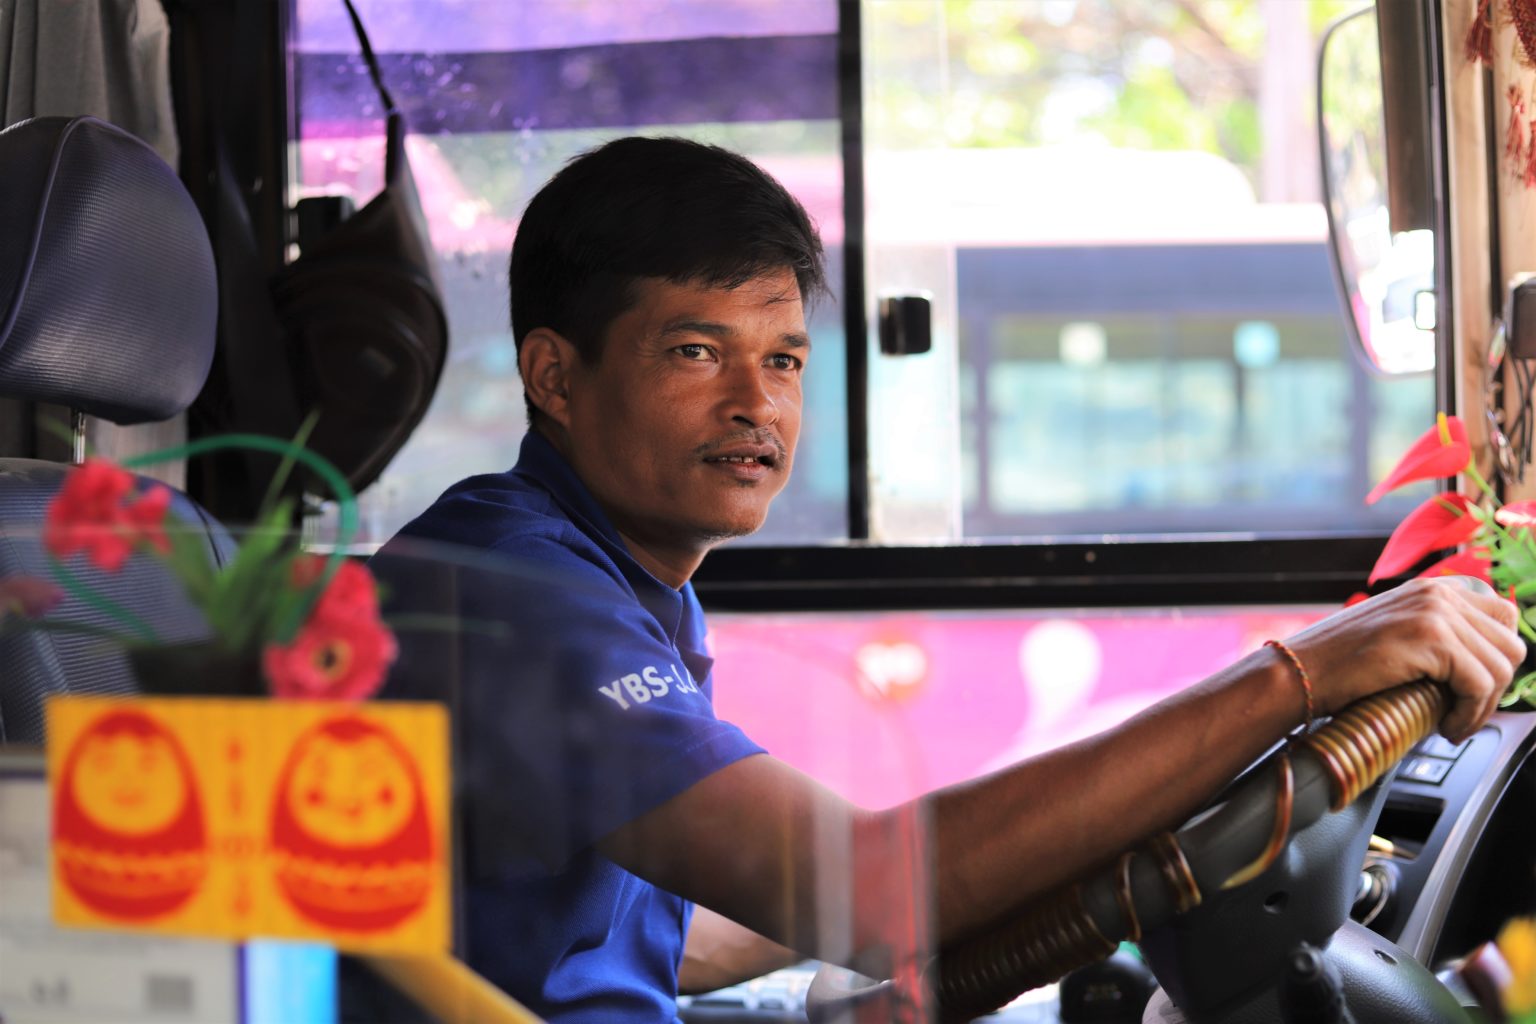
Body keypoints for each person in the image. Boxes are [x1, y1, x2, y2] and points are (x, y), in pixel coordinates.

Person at [372, 136, 1524, 1022]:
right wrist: (1297, 675)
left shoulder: (604, 576)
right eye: (695, 351)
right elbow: (872, 894)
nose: (756, 402)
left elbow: (658, 941)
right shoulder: (515, 595)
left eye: (783, 359)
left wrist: (1060, 854)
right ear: (553, 376)